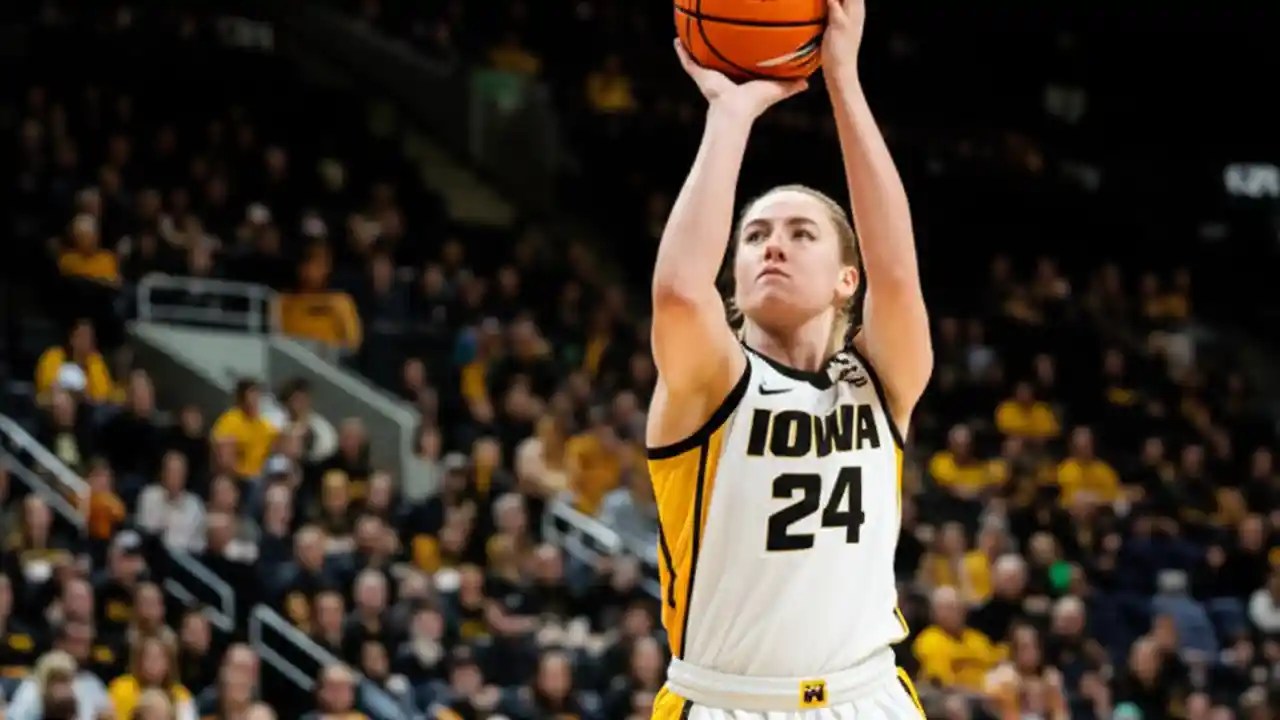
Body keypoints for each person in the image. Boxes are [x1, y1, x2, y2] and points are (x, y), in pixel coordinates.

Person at [646, 1, 932, 718]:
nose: (773, 244)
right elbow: (678, 293)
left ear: (847, 279)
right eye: (754, 236)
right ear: (734, 276)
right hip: (729, 703)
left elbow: (898, 274)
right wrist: (729, 116)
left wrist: (844, 81)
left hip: (868, 696)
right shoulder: (712, 385)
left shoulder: (880, 381)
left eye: (802, 233)